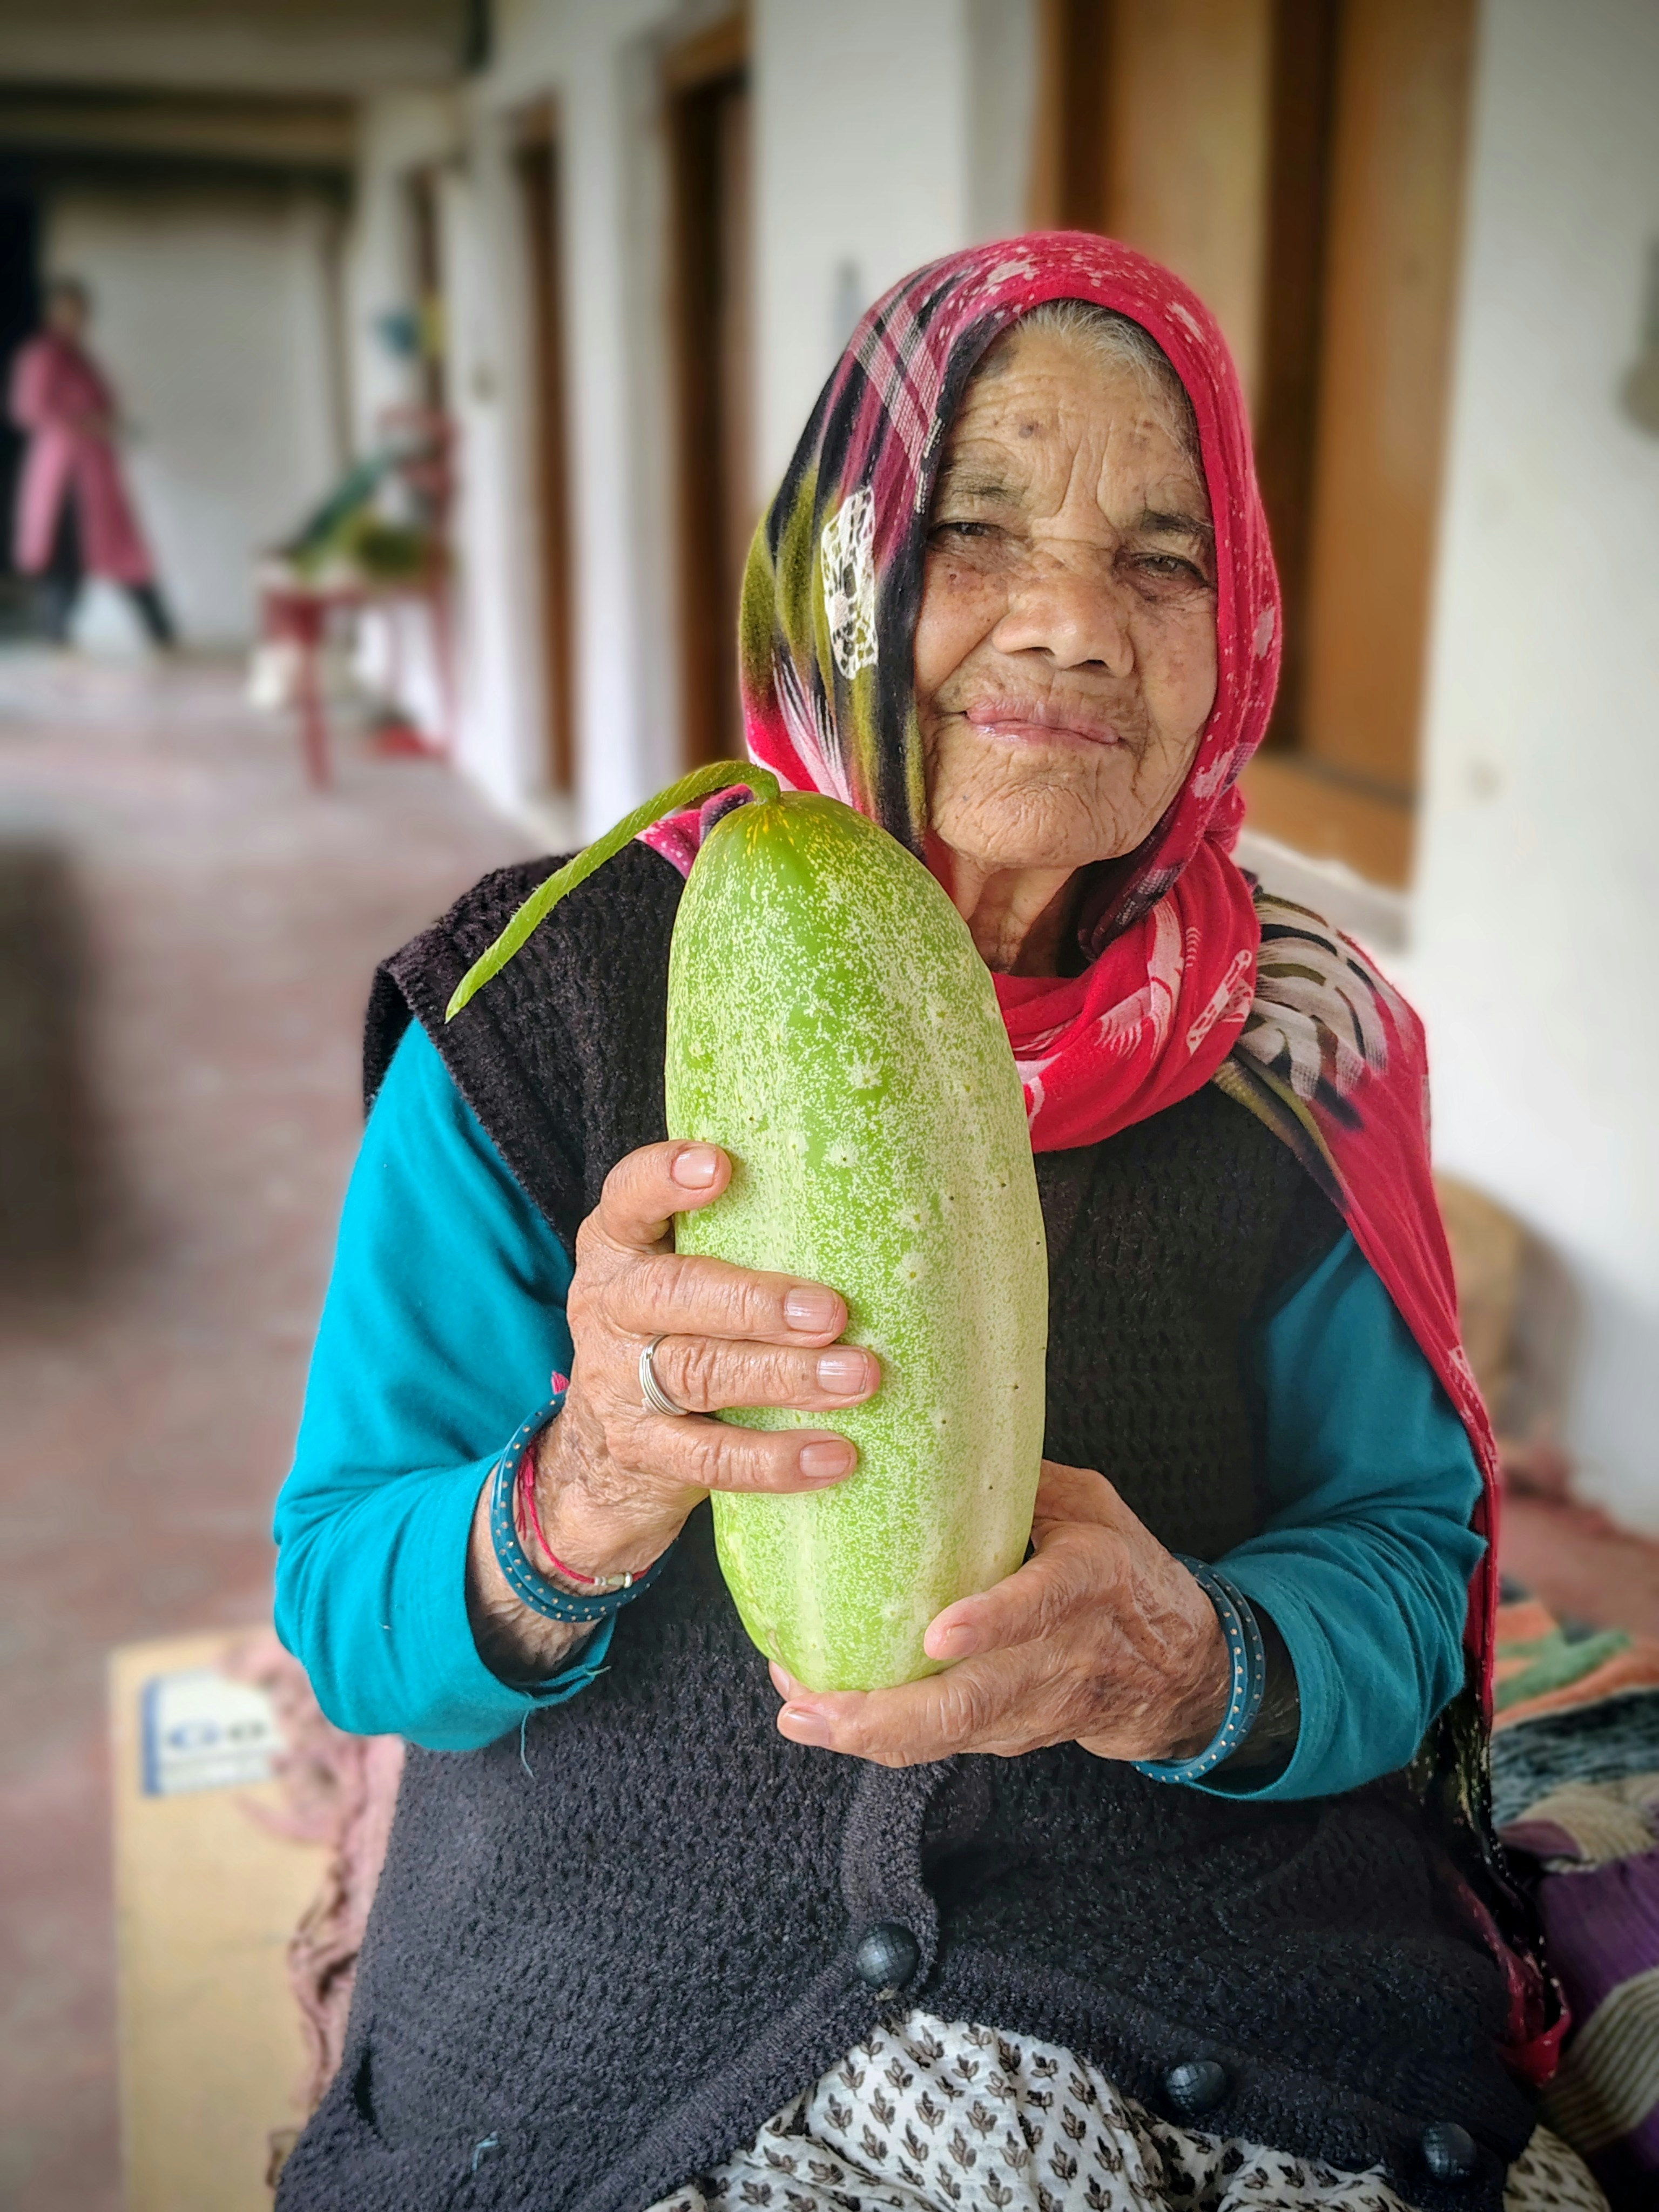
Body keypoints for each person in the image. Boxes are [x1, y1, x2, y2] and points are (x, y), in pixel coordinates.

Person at [270, 235, 1599, 2212]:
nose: (1073, 622)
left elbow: (1407, 1567)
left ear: (1234, 624)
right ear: (837, 576)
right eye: (976, 527)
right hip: (630, 2019)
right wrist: (578, 1486)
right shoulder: (530, 1001)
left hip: (1222, 1991)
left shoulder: (1295, 1042)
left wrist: (1199, 1659)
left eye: (1163, 556)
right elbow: (346, 1596)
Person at [9, 275, 175, 647]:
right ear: (53, 313)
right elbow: (29, 410)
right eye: (66, 310)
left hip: (97, 472)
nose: (74, 318)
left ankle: (162, 634)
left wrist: (108, 426)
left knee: (122, 555)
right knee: (67, 559)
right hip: (64, 475)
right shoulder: (41, 357)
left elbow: (106, 406)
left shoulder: (82, 359)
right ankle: (57, 636)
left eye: (79, 311)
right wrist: (88, 423)